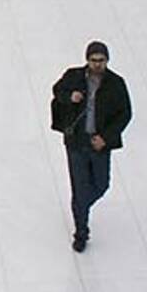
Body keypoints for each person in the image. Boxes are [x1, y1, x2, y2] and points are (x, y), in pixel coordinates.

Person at [50, 41, 133, 251]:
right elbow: (57, 91)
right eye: (94, 60)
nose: (97, 64)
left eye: (101, 60)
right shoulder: (73, 76)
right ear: (87, 60)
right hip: (77, 143)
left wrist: (105, 137)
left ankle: (80, 206)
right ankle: (81, 231)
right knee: (79, 187)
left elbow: (125, 114)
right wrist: (70, 97)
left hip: (98, 145)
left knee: (101, 184)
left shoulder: (116, 84)